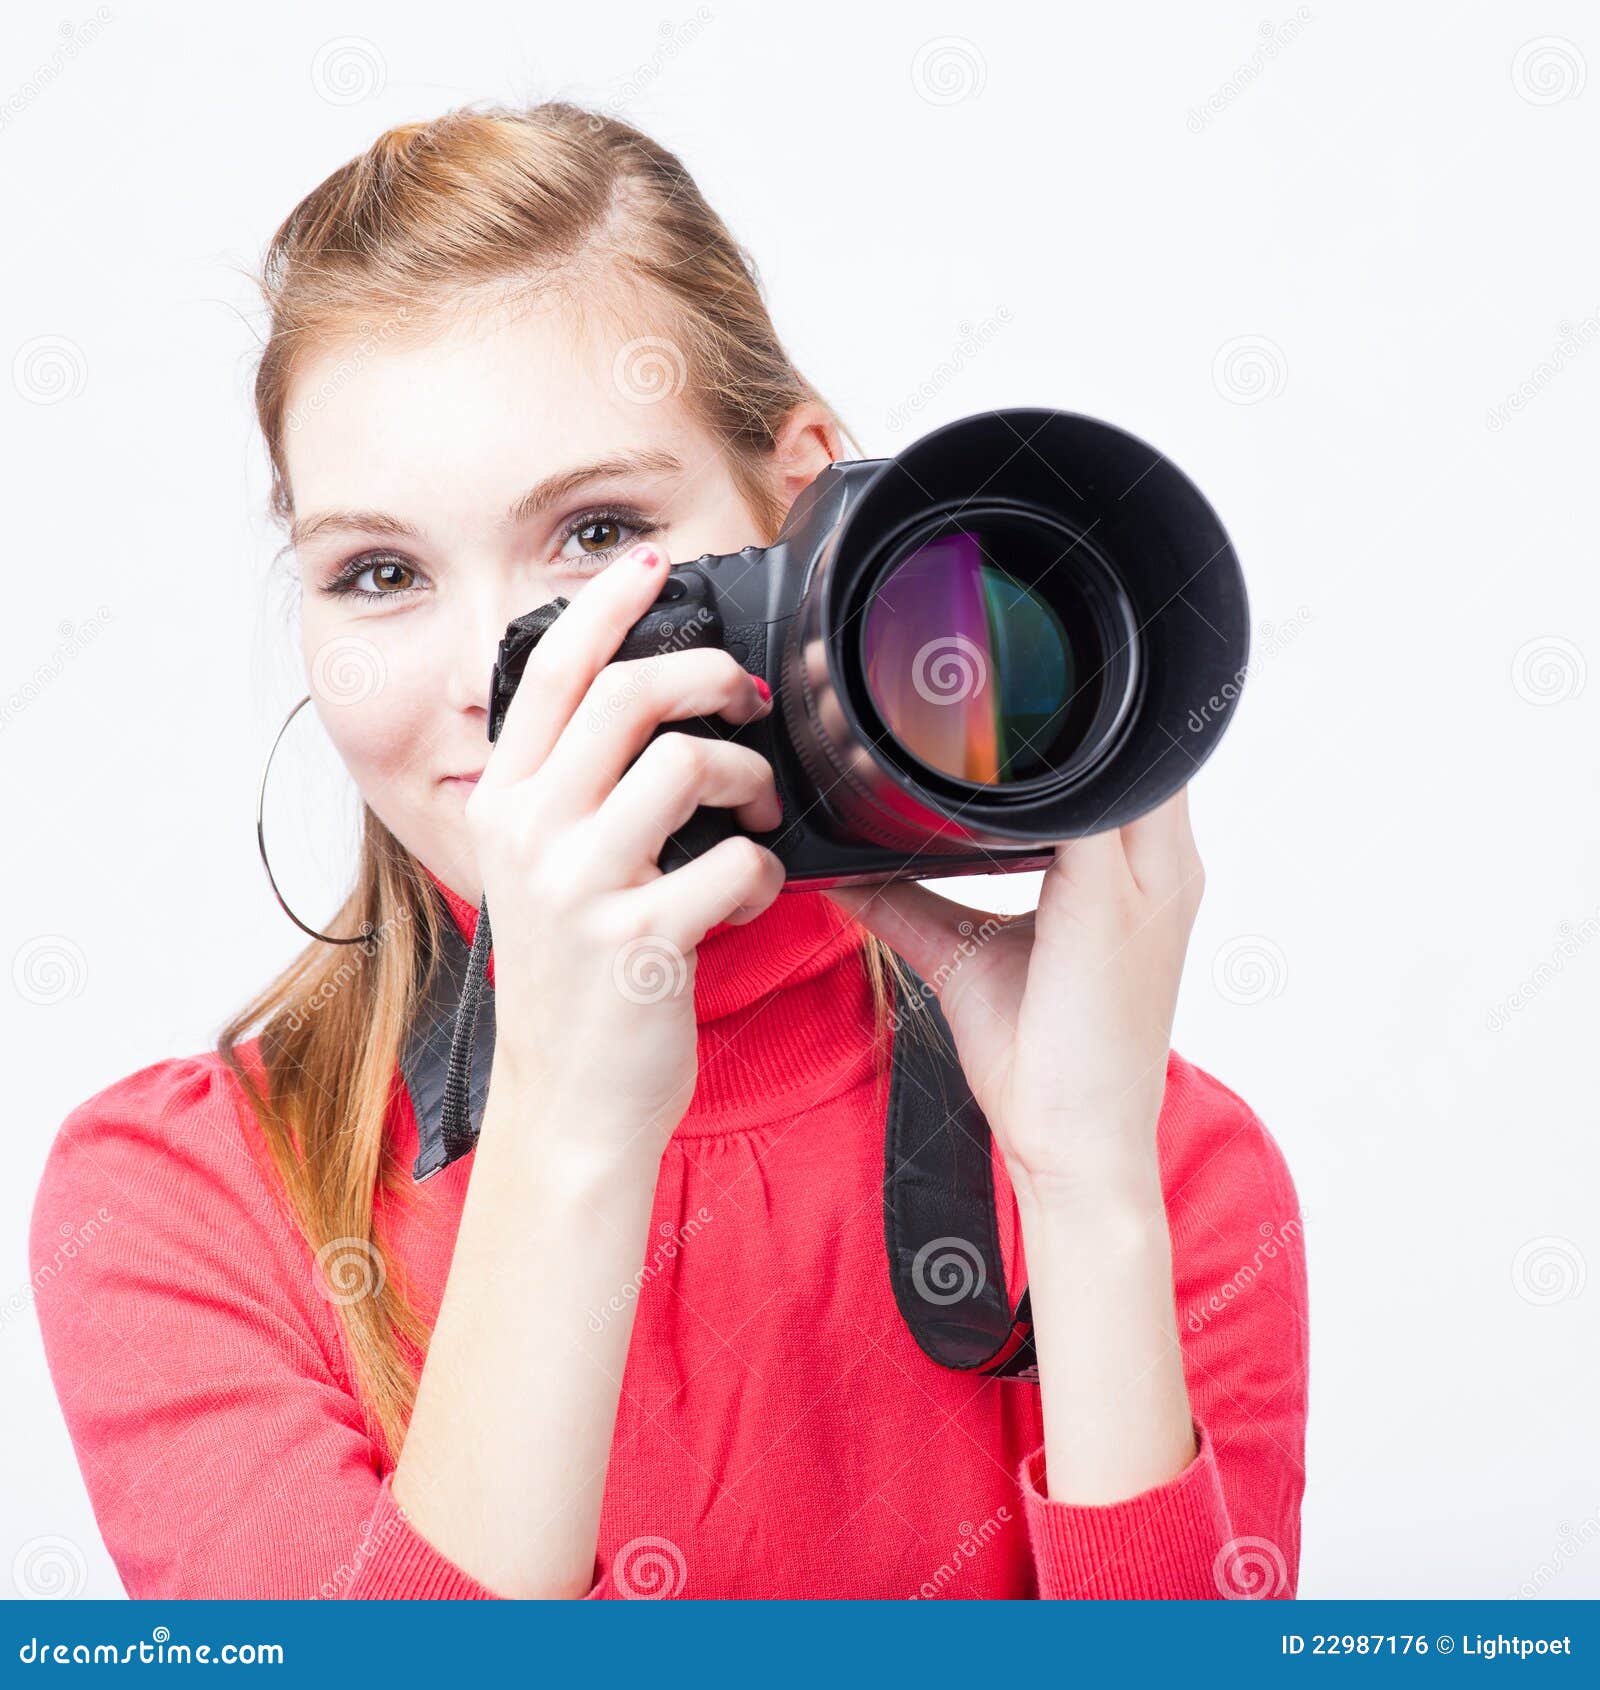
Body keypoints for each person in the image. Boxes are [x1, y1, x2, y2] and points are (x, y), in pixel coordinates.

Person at [30, 102, 1308, 1600]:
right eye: (379, 572)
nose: (492, 678)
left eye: (593, 533)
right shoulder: (180, 1200)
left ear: (809, 497)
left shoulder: (1163, 1164)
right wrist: (568, 1120)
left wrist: (1088, 1187)